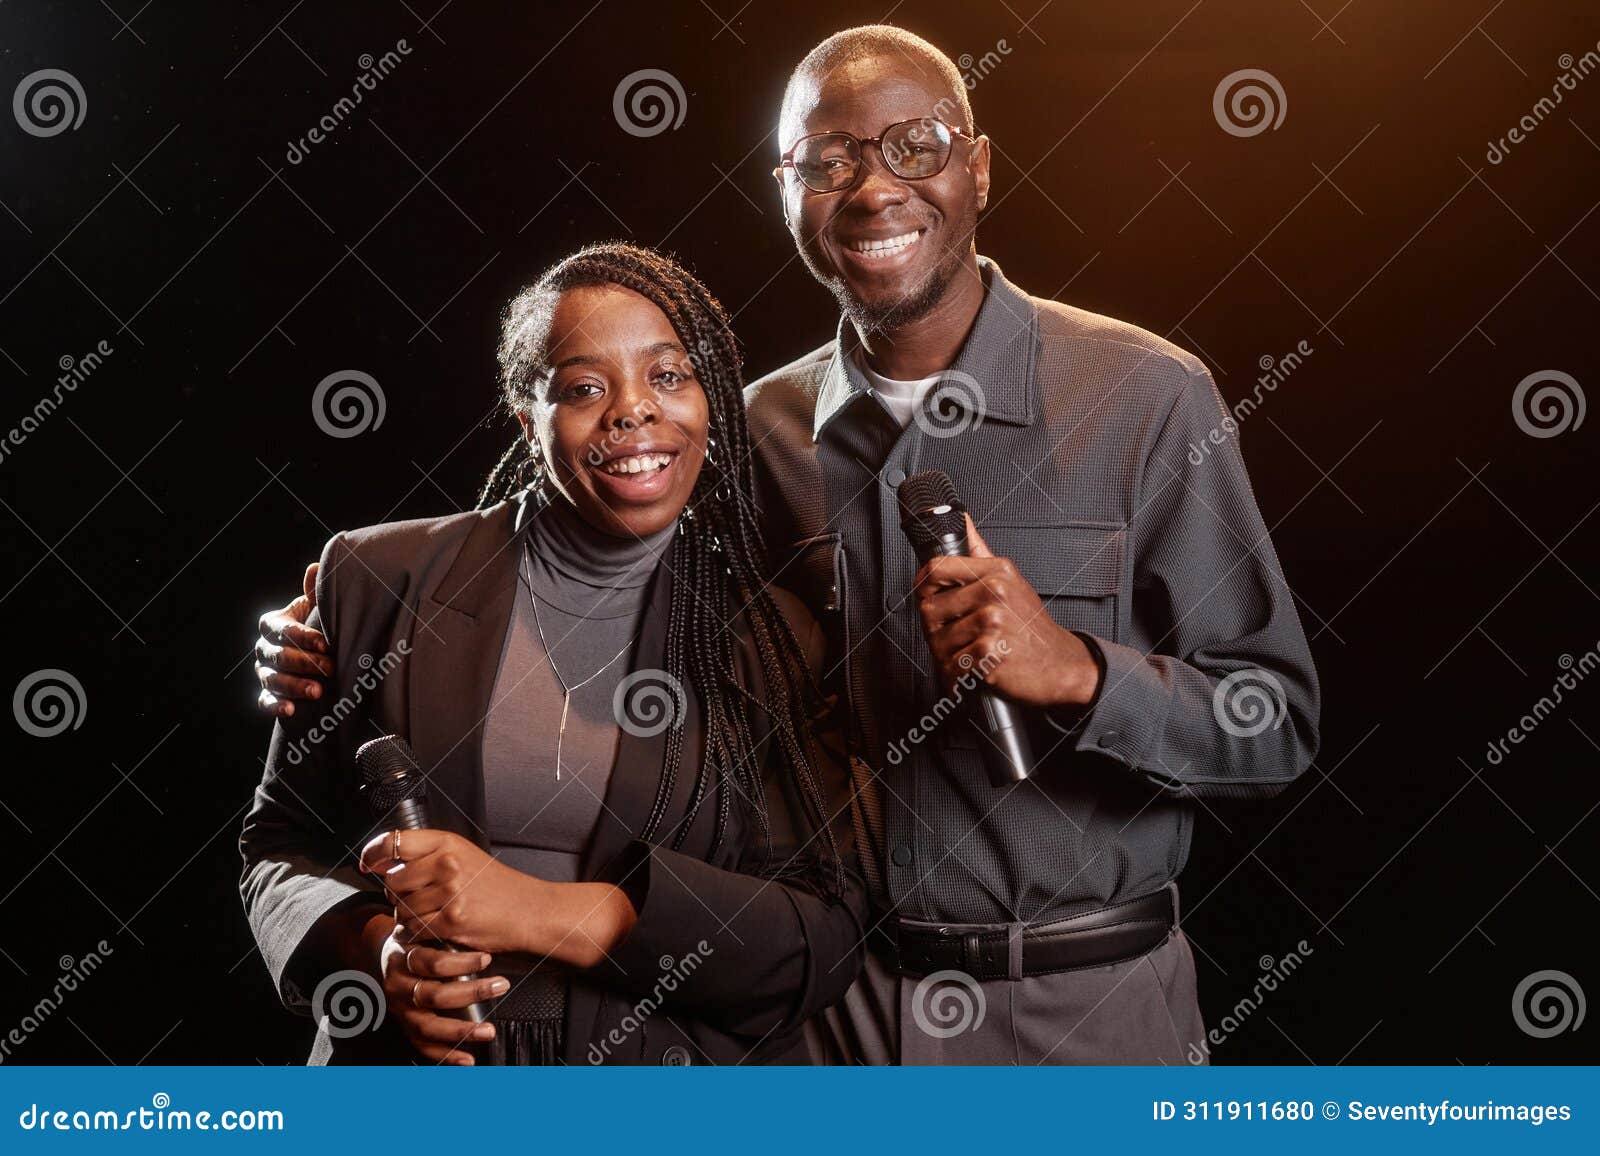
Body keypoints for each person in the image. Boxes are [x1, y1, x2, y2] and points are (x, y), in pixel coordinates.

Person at [256, 26, 1320, 1065]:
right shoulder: (754, 431)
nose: (873, 188)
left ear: (979, 168)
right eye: (828, 160)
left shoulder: (1146, 396)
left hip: (1084, 1006)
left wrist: (1078, 672)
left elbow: (1270, 723)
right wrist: (344, 629)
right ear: (785, 190)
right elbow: (588, 557)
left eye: (915, 146)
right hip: (829, 1020)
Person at [240, 242, 865, 1066]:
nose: (633, 412)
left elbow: (818, 936)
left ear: (712, 399)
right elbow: (276, 849)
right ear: (528, 418)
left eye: (669, 376)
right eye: (584, 388)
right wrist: (376, 959)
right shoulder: (377, 579)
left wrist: (540, 911)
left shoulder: (772, 642)